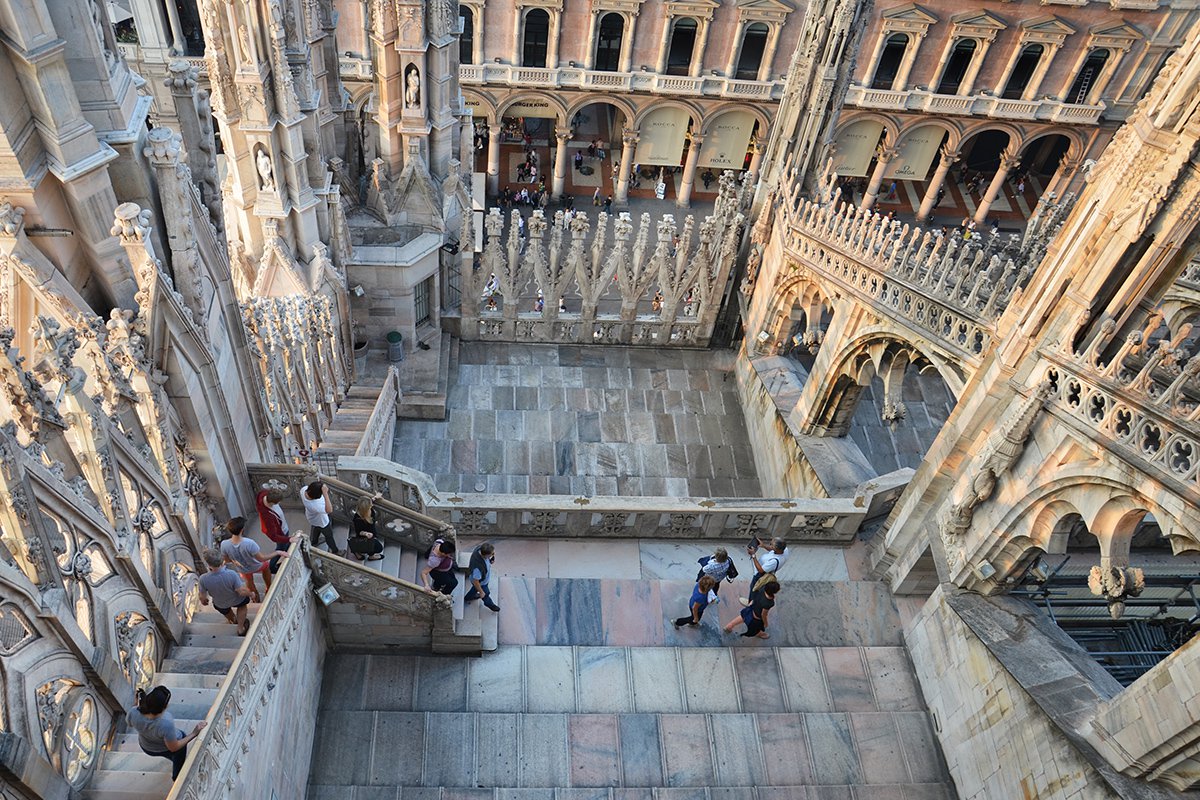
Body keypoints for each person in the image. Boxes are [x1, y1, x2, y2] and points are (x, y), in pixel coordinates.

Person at [127, 686, 207, 779]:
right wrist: (194, 733)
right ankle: (177, 777)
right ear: (165, 706)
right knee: (178, 752)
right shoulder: (165, 722)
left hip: (147, 747)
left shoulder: (133, 712)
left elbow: (130, 724)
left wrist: (137, 705)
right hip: (165, 747)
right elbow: (174, 747)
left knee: (172, 755)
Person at [220, 517, 289, 602]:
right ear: (242, 530)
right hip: (256, 565)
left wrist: (235, 561)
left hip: (242, 568)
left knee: (249, 582)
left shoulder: (224, 544)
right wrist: (278, 552)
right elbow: (261, 558)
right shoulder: (249, 543)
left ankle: (256, 599)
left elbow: (227, 560)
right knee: (266, 565)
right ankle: (268, 587)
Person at [198, 548, 253, 636]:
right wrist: (251, 594)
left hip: (220, 603)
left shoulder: (203, 579)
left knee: (226, 611)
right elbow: (241, 591)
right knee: (242, 605)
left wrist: (203, 601)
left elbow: (202, 596)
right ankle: (240, 628)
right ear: (222, 560)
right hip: (237, 599)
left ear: (208, 564)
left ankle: (234, 620)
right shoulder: (232, 574)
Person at [255, 488, 293, 570]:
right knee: (280, 549)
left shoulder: (264, 494)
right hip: (281, 532)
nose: (279, 503)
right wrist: (289, 539)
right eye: (278, 502)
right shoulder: (267, 516)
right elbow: (273, 536)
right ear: (272, 503)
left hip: (282, 527)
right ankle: (272, 567)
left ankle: (285, 554)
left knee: (284, 547)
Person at [302, 480, 342, 557]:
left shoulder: (303, 490)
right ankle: (335, 551)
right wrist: (325, 493)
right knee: (329, 536)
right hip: (322, 521)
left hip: (312, 518)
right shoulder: (315, 505)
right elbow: (329, 510)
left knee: (316, 528)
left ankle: (314, 542)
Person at [464, 542, 500, 612]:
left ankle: (468, 597)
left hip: (482, 580)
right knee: (485, 594)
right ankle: (491, 605)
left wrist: (490, 561)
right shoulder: (478, 568)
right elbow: (476, 581)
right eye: (492, 554)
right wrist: (481, 592)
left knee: (474, 589)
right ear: (486, 555)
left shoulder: (479, 549)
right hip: (482, 583)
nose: (493, 554)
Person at [349, 496, 386, 561]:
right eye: (370, 505)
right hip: (365, 537)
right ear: (365, 509)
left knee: (371, 546)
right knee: (377, 548)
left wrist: (375, 497)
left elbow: (367, 502)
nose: (372, 505)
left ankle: (361, 552)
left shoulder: (368, 510)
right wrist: (366, 534)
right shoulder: (358, 519)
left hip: (371, 534)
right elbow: (358, 531)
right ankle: (367, 555)